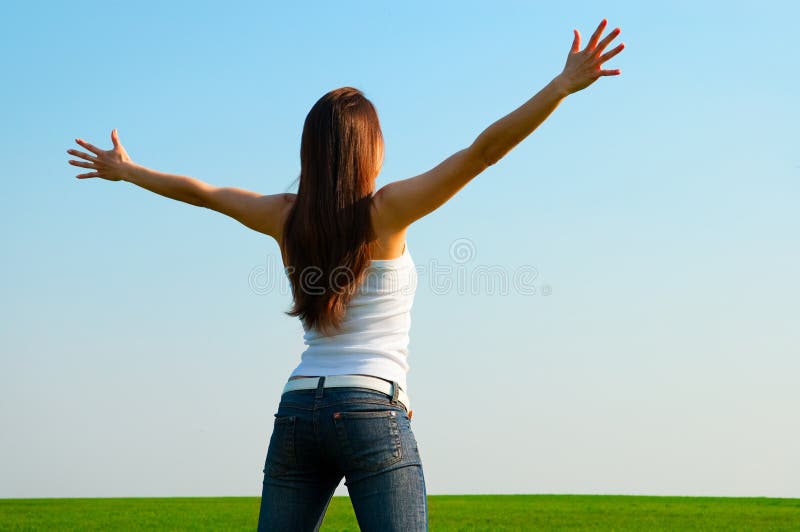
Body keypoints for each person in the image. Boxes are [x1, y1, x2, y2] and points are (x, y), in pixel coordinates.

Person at [67, 18, 624, 531]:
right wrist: (560, 87)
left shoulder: (284, 216)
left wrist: (129, 170)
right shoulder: (386, 213)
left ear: (310, 151)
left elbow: (203, 193)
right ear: (370, 148)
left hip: (298, 408)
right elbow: (482, 153)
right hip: (368, 409)